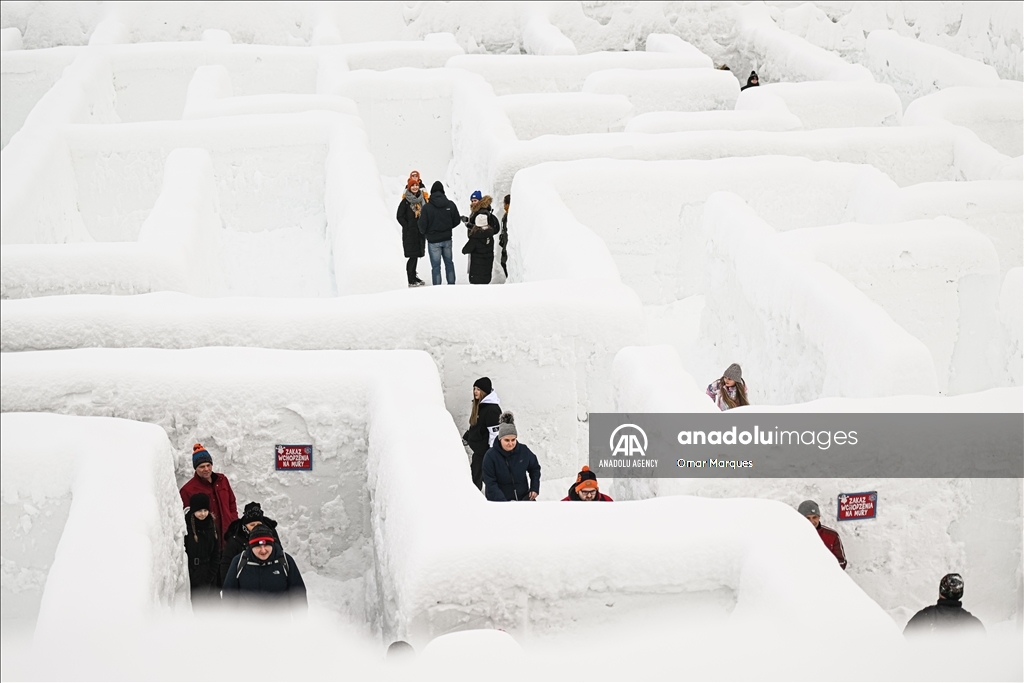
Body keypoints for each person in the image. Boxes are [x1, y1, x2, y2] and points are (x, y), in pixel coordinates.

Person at [222, 524, 307, 610]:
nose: (263, 550)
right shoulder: (240, 562)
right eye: (258, 546)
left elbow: (298, 594)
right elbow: (229, 594)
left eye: (266, 545)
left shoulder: (285, 561)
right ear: (251, 546)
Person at [179, 443, 238, 545]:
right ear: (195, 468)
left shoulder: (222, 480)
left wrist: (233, 521)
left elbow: (231, 502)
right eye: (202, 466)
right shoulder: (187, 490)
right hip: (207, 542)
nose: (206, 469)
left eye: (208, 465)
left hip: (228, 537)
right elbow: (187, 519)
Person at [482, 412, 541, 502]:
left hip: (524, 499)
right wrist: (504, 503)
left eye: (513, 440)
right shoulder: (490, 456)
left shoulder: (523, 451)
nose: (510, 443)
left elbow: (535, 468)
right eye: (507, 440)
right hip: (500, 503)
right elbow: (490, 483)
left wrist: (534, 487)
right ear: (500, 439)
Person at [904, 573, 985, 637]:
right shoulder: (974, 625)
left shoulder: (923, 618)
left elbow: (902, 647)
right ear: (961, 593)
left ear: (940, 592)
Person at [220, 501, 281, 584]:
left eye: (258, 524)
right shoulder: (235, 538)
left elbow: (279, 555)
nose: (255, 527)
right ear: (245, 525)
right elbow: (226, 564)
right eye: (252, 525)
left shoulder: (271, 533)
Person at [418, 180, 461, 286]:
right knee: (449, 263)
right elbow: (457, 220)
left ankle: (437, 288)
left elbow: (422, 225)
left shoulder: (427, 207)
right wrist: (447, 228)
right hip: (447, 239)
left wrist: (427, 233)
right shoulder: (450, 204)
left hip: (433, 241)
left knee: (436, 267)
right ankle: (451, 285)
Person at [462, 377, 502, 490]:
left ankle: (480, 500)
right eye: (474, 388)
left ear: (484, 391)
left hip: (485, 453)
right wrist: (467, 437)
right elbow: (475, 426)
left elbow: (495, 433)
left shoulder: (492, 410)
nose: (475, 391)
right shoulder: (481, 406)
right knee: (478, 476)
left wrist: (491, 452)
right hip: (479, 452)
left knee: (478, 477)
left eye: (478, 389)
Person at [184, 493, 221, 605]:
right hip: (193, 572)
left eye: (205, 510)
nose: (203, 514)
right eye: (199, 511)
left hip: (209, 571)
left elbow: (216, 551)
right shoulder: (187, 527)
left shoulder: (212, 526)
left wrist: (211, 572)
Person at [396, 175, 427, 287]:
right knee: (412, 256)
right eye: (412, 185)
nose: (414, 187)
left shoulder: (422, 200)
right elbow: (399, 216)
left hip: (419, 233)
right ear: (409, 188)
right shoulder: (405, 202)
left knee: (416, 255)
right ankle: (410, 277)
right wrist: (407, 226)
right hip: (410, 233)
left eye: (416, 185)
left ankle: (413, 275)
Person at [798, 500, 847, 570]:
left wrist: (824, 569)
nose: (812, 521)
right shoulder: (794, 535)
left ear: (819, 517)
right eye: (807, 518)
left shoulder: (832, 536)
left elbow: (842, 562)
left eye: (814, 517)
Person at [462, 213, 496, 284]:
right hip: (487, 272)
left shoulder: (475, 238)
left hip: (476, 273)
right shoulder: (490, 236)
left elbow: (465, 250)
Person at [499, 194, 510, 278]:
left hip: (507, 244)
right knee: (503, 262)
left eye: (504, 204)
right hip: (505, 244)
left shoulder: (509, 216)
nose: (504, 206)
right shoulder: (506, 215)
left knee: (504, 262)